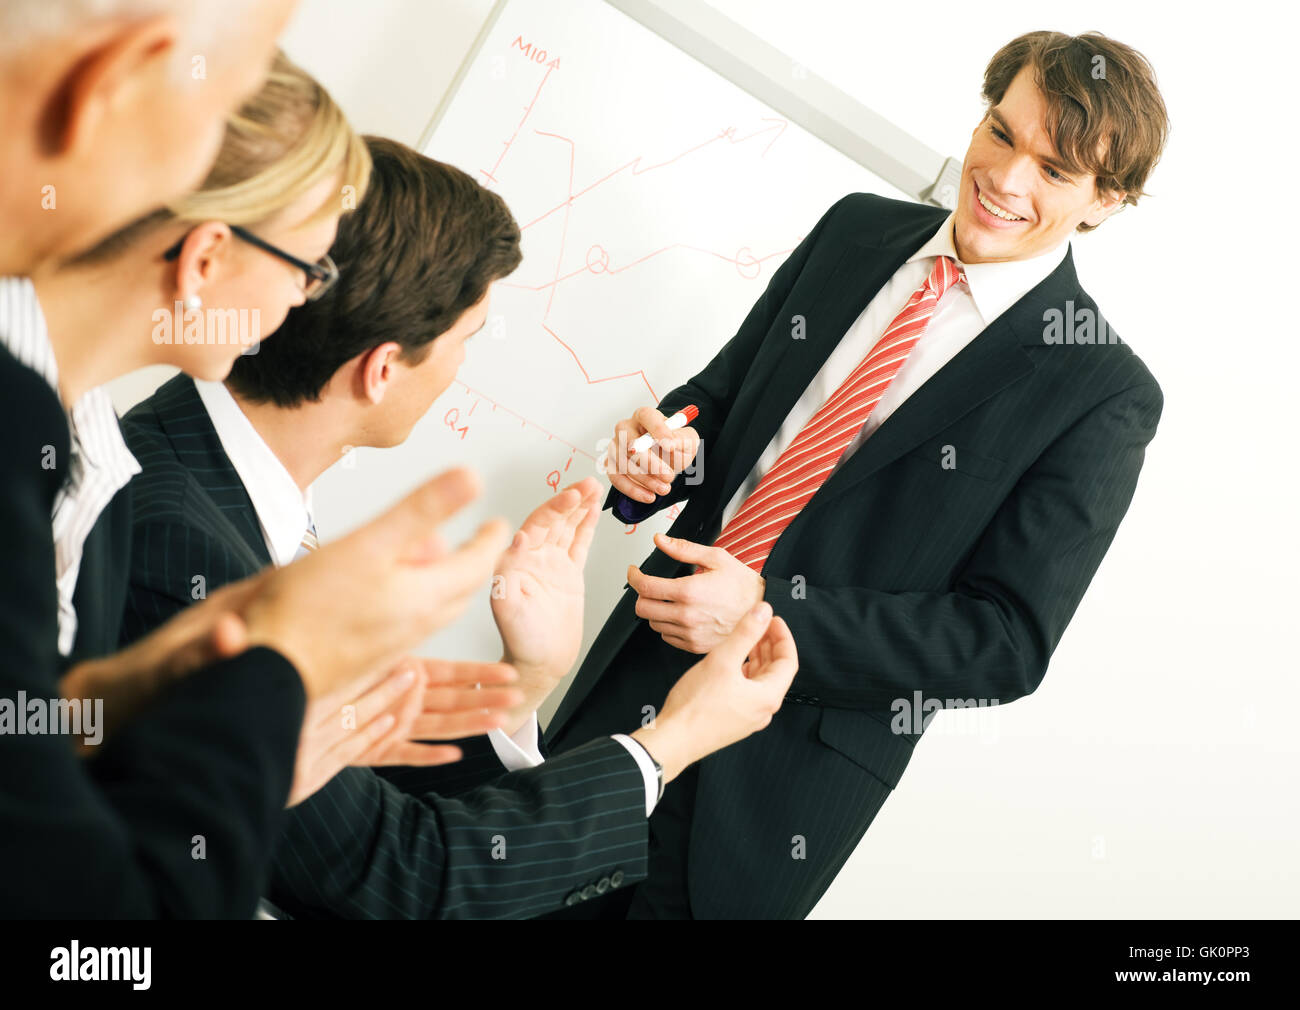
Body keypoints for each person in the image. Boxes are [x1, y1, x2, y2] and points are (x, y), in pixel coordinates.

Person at [546, 30, 1170, 918]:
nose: (1006, 178)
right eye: (1001, 134)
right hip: (632, 678)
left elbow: (1003, 640)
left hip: (773, 782)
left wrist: (768, 615)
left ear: (1107, 202)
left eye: (1055, 171)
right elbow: (722, 400)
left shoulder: (1101, 389)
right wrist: (660, 451)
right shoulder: (855, 231)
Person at [102, 136, 800, 919]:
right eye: (468, 339)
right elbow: (407, 876)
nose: (465, 364)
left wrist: (519, 681)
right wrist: (671, 741)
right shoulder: (184, 559)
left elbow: (345, 773)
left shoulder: (208, 479)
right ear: (383, 368)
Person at [0, 3, 509, 917]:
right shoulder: (43, 442)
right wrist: (272, 676)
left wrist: (132, 691)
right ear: (203, 259)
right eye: (308, 268)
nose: (309, 299)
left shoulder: (80, 449)